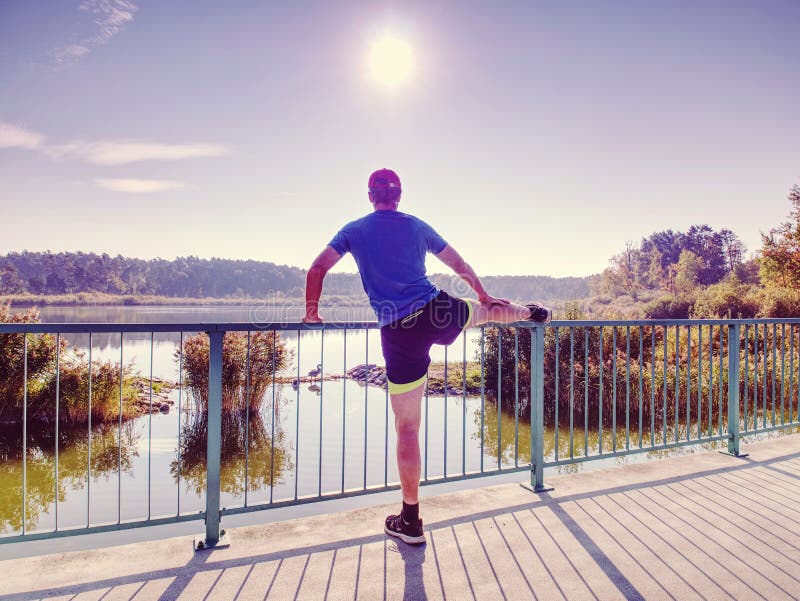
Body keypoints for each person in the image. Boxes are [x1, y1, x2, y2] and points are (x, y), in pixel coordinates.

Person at [303, 168, 551, 545]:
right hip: (436, 310)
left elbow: (318, 267)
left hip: (398, 330)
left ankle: (411, 521)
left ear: (370, 196)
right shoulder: (417, 225)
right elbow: (459, 265)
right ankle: (530, 313)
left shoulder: (354, 230)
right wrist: (483, 294)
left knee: (407, 429)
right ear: (399, 195)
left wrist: (311, 312)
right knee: (482, 313)